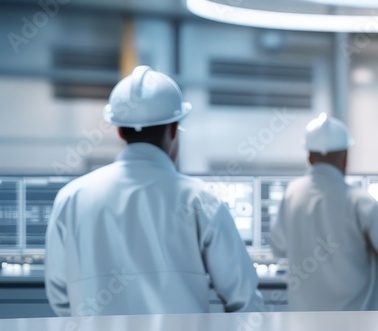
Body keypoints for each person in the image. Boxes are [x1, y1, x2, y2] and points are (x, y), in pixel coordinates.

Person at [45, 66, 263, 317]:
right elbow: (244, 301)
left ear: (119, 130)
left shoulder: (71, 198)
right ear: (173, 129)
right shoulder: (202, 200)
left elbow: (60, 298)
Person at [270, 113, 378, 311]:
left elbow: (277, 248)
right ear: (345, 157)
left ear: (309, 157)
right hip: (356, 324)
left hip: (304, 324)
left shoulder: (292, 194)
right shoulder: (359, 201)